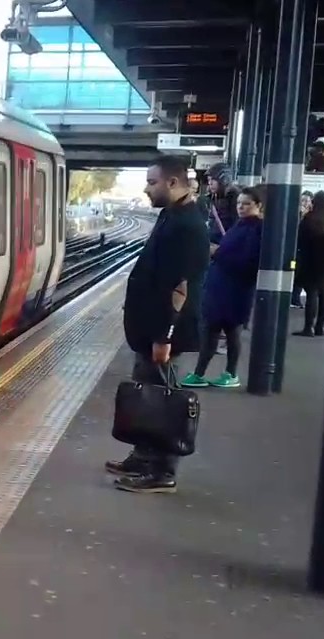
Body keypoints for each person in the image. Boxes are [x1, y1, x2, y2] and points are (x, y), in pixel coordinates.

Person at [107, 156, 211, 494]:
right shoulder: (172, 216)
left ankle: (163, 472)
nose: (146, 188)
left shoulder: (188, 226)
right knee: (147, 397)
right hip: (149, 330)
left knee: (164, 401)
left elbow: (179, 287)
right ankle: (143, 456)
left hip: (164, 332)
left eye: (152, 182)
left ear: (172, 183)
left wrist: (163, 336)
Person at [182, 187, 265, 389]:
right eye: (239, 203)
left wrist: (218, 253)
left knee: (231, 332)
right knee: (211, 330)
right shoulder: (241, 225)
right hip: (221, 287)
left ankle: (230, 373)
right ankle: (199, 373)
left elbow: (248, 260)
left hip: (236, 289)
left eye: (246, 204)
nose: (241, 207)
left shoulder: (256, 229)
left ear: (259, 206)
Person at [293, 190, 324, 337]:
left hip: (311, 263)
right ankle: (320, 327)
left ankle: (309, 327)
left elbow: (299, 241)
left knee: (311, 295)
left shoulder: (309, 220)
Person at [205, 163, 239, 246]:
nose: (210, 183)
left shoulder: (235, 198)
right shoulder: (213, 198)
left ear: (224, 180)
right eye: (209, 180)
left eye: (213, 180)